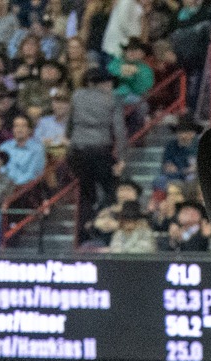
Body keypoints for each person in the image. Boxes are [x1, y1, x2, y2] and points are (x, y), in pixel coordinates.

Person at [69, 67, 128, 244]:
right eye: (108, 82)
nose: (111, 85)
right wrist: (122, 158)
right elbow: (119, 130)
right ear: (103, 83)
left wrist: (69, 140)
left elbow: (70, 122)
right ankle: (105, 232)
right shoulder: (112, 99)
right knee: (111, 189)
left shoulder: (77, 95)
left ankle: (82, 236)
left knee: (86, 195)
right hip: (100, 149)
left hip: (78, 150)